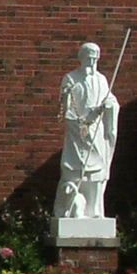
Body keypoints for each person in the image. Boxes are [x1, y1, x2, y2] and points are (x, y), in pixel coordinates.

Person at [56, 42, 120, 220]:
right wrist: (83, 120)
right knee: (74, 172)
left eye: (95, 58)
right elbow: (65, 109)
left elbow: (111, 99)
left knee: (98, 172)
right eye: (88, 58)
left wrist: (109, 106)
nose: (92, 62)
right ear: (81, 58)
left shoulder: (102, 80)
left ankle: (95, 209)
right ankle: (71, 207)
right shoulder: (70, 79)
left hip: (96, 133)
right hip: (78, 134)